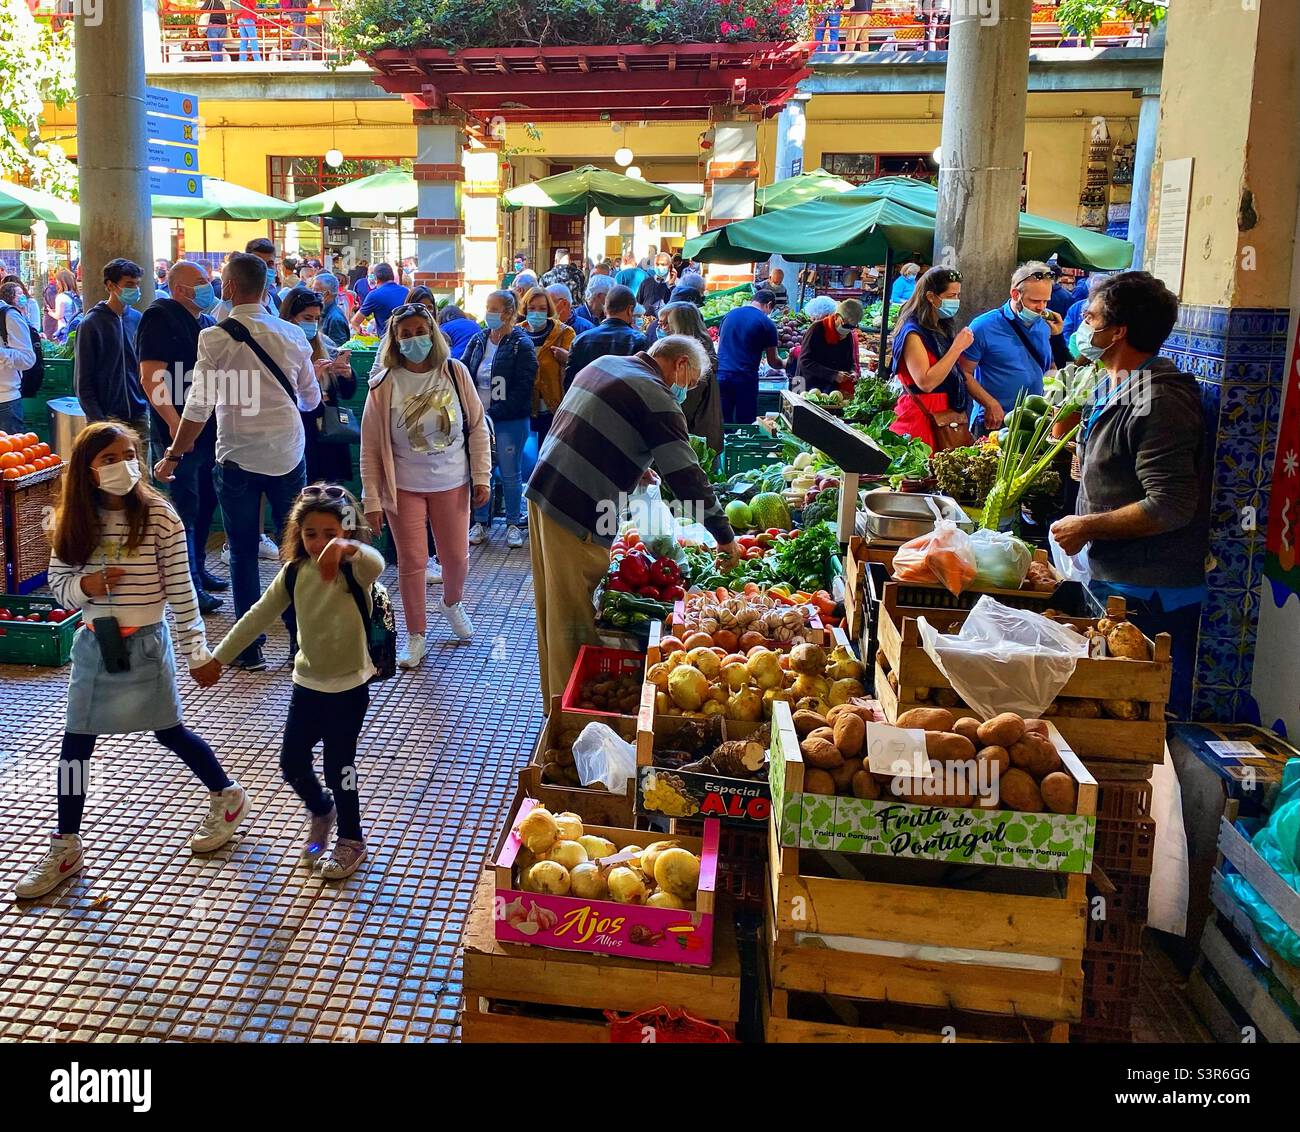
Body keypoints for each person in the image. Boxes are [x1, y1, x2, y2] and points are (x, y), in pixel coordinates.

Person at [16, 423, 247, 900]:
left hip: (145, 644)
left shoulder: (160, 516)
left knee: (169, 731)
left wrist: (196, 651)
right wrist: (87, 589)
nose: (122, 465)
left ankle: (227, 796)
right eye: (108, 458)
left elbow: (183, 590)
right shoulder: (73, 519)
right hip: (95, 646)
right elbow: (58, 580)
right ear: (87, 469)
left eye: (129, 454)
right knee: (75, 745)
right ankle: (65, 844)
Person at [525, 336, 741, 705]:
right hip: (578, 509)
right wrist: (724, 535)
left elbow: (591, 424)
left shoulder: (607, 364)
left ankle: (555, 702)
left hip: (545, 490)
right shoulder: (658, 396)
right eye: (687, 385)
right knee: (574, 618)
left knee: (551, 608)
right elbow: (686, 476)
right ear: (681, 366)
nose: (683, 393)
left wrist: (634, 466)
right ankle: (571, 720)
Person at [1050, 272, 1210, 719]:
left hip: (1147, 594)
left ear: (1117, 331)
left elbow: (1172, 504)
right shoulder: (1117, 383)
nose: (1082, 324)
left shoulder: (1162, 401)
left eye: (1091, 316)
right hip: (1109, 580)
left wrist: (1089, 525)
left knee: (1138, 720)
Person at [200, 485, 378, 880]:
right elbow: (257, 616)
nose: (318, 542)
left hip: (349, 687)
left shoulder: (355, 568)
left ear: (346, 530)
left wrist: (345, 550)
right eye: (310, 533)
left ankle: (352, 838)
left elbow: (376, 562)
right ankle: (322, 810)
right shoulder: (295, 572)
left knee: (340, 767)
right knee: (292, 763)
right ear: (297, 534)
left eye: (329, 532)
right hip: (307, 684)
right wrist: (219, 658)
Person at [156, 252, 322, 672]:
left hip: (236, 458)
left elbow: (198, 407)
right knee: (294, 552)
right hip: (287, 453)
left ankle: (249, 648)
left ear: (228, 287)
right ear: (266, 287)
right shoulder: (292, 334)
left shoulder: (213, 339)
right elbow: (310, 399)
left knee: (243, 552)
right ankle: (299, 644)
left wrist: (174, 455)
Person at [360, 304, 489, 662]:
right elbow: (370, 447)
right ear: (395, 340)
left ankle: (452, 602)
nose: (414, 338)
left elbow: (477, 427)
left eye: (420, 331)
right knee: (412, 562)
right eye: (406, 334)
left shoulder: (455, 372)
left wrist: (482, 475)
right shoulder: (383, 384)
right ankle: (416, 635)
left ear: (432, 333)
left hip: (453, 482)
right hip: (404, 487)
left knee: (456, 557)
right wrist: (372, 500)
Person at [137, 261, 226, 614]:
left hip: (207, 432)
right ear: (178, 289)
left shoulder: (204, 322)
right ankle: (187, 584)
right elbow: (151, 377)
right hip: (180, 434)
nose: (208, 287)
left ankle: (200, 571)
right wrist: (175, 426)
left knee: (206, 503)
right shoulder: (159, 317)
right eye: (201, 282)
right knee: (186, 507)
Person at [462, 289, 538, 549]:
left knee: (510, 472)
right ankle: (481, 522)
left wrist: (498, 412)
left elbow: (524, 385)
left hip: (509, 421)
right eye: (487, 307)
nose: (489, 313)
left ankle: (513, 523)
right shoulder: (479, 339)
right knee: (482, 472)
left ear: (508, 313)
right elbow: (464, 372)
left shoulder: (521, 344)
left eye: (494, 309)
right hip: (478, 419)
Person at [958, 260, 1063, 431]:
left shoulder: (1045, 325)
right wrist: (990, 403)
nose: (1041, 308)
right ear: (1015, 294)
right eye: (1035, 301)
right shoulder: (983, 326)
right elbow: (963, 372)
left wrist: (1054, 399)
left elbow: (1049, 366)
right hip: (995, 422)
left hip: (1033, 421)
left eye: (1046, 301)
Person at [887, 267, 977, 451]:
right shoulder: (912, 332)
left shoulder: (941, 327)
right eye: (951, 296)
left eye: (958, 295)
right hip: (920, 419)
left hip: (944, 418)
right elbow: (925, 382)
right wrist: (957, 347)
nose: (956, 301)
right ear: (931, 297)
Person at [75, 258, 150, 464]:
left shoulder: (137, 319)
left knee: (141, 472)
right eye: (128, 285)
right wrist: (99, 421)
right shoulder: (91, 324)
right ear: (110, 285)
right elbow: (83, 381)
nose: (134, 289)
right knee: (112, 475)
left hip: (138, 414)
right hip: (107, 417)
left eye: (136, 284)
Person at [279, 287, 358, 486]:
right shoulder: (279, 348)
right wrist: (310, 381)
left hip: (329, 438)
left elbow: (347, 393)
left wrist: (347, 375)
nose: (313, 324)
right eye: (307, 317)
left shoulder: (325, 345)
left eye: (317, 318)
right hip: (300, 438)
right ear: (290, 317)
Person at [659, 301, 723, 455]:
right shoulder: (705, 350)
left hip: (695, 439)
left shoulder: (690, 362)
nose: (664, 329)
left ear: (678, 326)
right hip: (707, 434)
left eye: (668, 324)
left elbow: (685, 405)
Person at [715, 288, 781, 424]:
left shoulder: (729, 315)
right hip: (745, 379)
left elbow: (720, 346)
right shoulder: (767, 323)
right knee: (745, 424)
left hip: (722, 375)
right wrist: (787, 362)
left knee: (722, 421)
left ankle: (722, 445)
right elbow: (773, 361)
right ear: (769, 305)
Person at [521, 286, 576, 446]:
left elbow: (577, 366)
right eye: (532, 308)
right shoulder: (517, 334)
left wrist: (567, 358)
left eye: (542, 309)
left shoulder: (564, 333)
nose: (536, 312)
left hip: (555, 409)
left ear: (549, 310)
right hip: (525, 409)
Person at [564, 284, 646, 389]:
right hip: (623, 403)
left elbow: (570, 384)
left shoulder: (580, 340)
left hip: (587, 402)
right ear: (630, 310)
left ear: (605, 309)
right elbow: (643, 385)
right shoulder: (638, 340)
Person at [795, 298, 864, 396]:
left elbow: (850, 362)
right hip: (804, 386)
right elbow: (804, 361)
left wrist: (852, 372)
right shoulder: (816, 329)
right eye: (845, 325)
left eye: (852, 327)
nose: (848, 330)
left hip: (829, 390)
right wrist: (833, 374)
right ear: (836, 317)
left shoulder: (848, 336)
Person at [0, 284, 38, 435]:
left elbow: (28, 358)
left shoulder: (9, 316)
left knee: (12, 455)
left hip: (5, 404)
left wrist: (2, 354)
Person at [351, 262, 408, 337]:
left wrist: (363, 332)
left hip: (387, 342)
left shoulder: (374, 295)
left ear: (376, 279)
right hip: (406, 339)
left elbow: (355, 322)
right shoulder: (407, 291)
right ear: (393, 276)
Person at [310, 270, 352, 348]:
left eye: (316, 291)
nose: (312, 294)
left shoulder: (335, 319)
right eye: (312, 290)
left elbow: (337, 351)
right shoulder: (323, 312)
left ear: (327, 294)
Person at [636, 251, 675, 317]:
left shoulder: (675, 284)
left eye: (663, 264)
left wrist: (672, 285)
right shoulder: (646, 282)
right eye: (657, 264)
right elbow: (638, 303)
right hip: (647, 322)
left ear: (670, 266)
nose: (660, 267)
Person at [53, 268, 82, 340]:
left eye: (57, 281)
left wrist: (50, 312)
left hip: (65, 329)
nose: (56, 283)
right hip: (78, 328)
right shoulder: (78, 296)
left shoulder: (61, 297)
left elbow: (59, 315)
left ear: (61, 282)